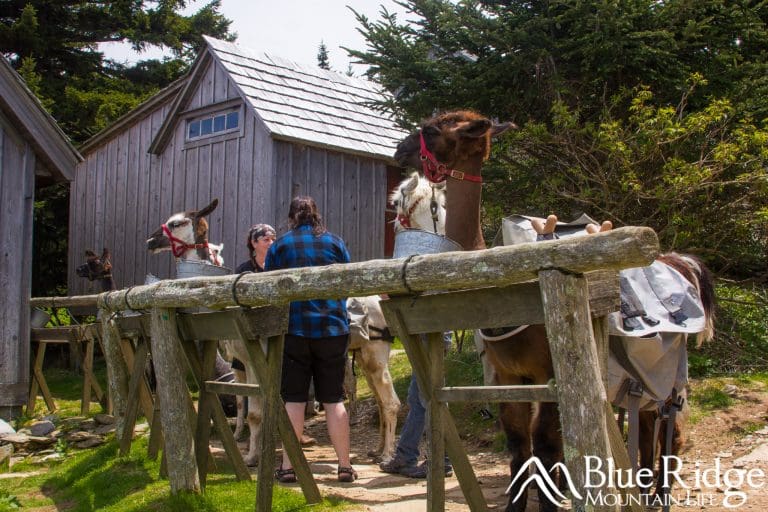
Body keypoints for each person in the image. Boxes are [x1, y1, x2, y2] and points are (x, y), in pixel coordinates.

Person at [265, 196, 356, 484]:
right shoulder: (335, 243)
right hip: (332, 330)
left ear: (291, 218)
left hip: (295, 332)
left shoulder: (280, 246)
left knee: (293, 400)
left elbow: (270, 288)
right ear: (317, 216)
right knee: (333, 399)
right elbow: (347, 281)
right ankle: (344, 466)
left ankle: (289, 466)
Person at [379, 332, 453, 479]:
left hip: (432, 335)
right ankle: (405, 456)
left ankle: (441, 460)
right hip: (423, 335)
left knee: (431, 399)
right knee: (417, 399)